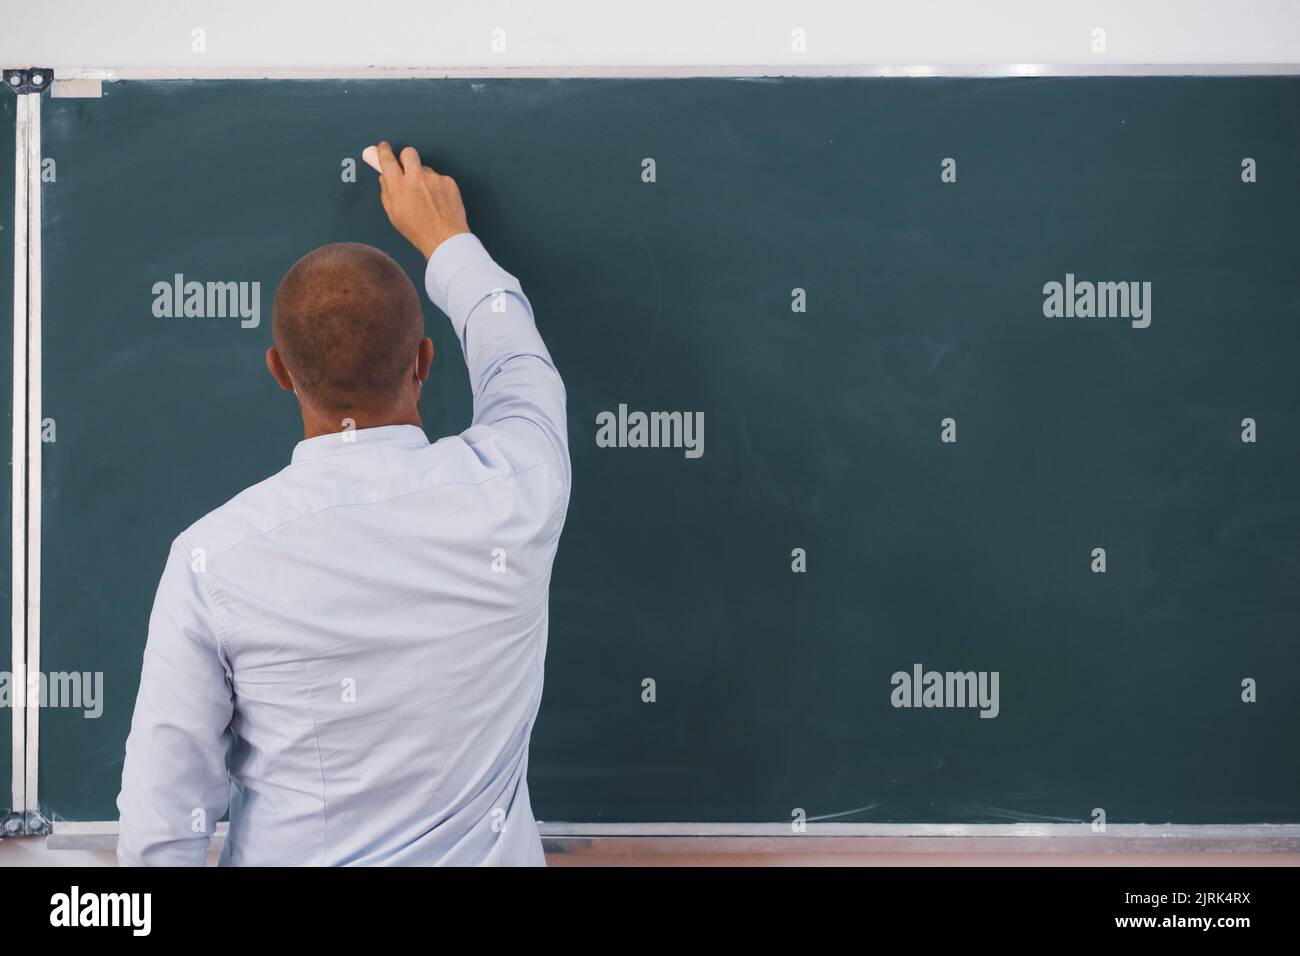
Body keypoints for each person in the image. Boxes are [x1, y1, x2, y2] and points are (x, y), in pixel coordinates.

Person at [116, 142, 569, 865]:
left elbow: (163, 827)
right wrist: (448, 242)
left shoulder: (211, 561)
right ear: (423, 360)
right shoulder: (514, 489)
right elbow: (516, 362)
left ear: (279, 373)